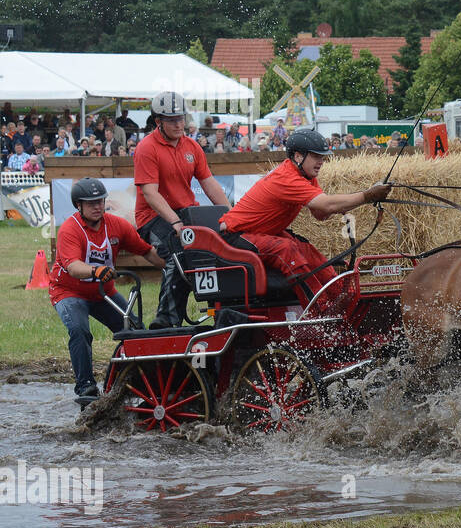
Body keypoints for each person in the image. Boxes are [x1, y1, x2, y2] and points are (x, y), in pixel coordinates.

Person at [218, 129, 390, 304]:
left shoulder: (306, 175)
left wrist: (346, 203)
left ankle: (344, 300)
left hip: (261, 233)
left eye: (322, 157)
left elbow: (320, 214)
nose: (321, 162)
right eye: (316, 156)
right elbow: (326, 205)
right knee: (286, 249)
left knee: (306, 250)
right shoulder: (287, 178)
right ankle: (320, 309)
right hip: (235, 236)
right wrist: (368, 196)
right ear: (298, 157)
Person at [50, 178, 166, 404]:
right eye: (90, 203)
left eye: (100, 202)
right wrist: (96, 270)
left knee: (135, 330)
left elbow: (146, 251)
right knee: (79, 330)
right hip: (68, 292)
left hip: (103, 293)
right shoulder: (69, 230)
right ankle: (86, 388)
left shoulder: (117, 225)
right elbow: (73, 267)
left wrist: (172, 267)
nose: (97, 207)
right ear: (78, 205)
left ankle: (137, 382)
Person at [134, 91, 230, 329]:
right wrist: (176, 223)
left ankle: (223, 314)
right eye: (172, 120)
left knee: (219, 249)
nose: (179, 124)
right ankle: (165, 319)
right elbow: (150, 193)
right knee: (175, 253)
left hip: (186, 212)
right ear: (158, 122)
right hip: (153, 216)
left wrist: (230, 213)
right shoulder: (147, 148)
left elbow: (209, 183)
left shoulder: (192, 147)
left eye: (181, 118)